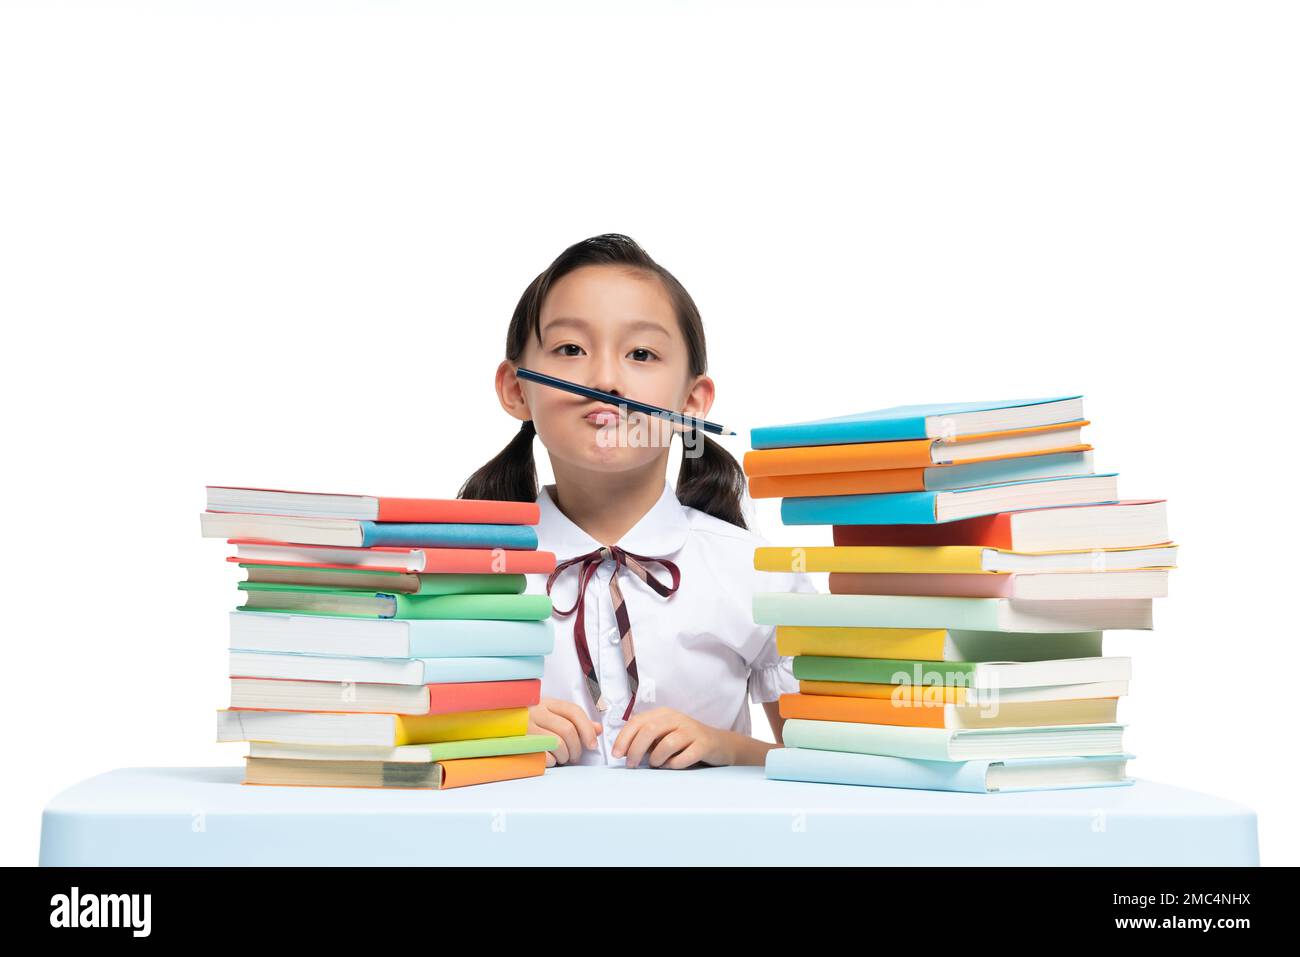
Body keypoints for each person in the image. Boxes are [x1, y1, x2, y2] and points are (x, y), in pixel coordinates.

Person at [460, 233, 815, 769]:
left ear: (692, 403)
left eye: (641, 354)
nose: (605, 380)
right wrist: (487, 727)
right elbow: (385, 742)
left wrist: (727, 748)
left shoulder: (762, 575)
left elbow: (833, 767)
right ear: (515, 389)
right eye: (570, 350)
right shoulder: (462, 577)